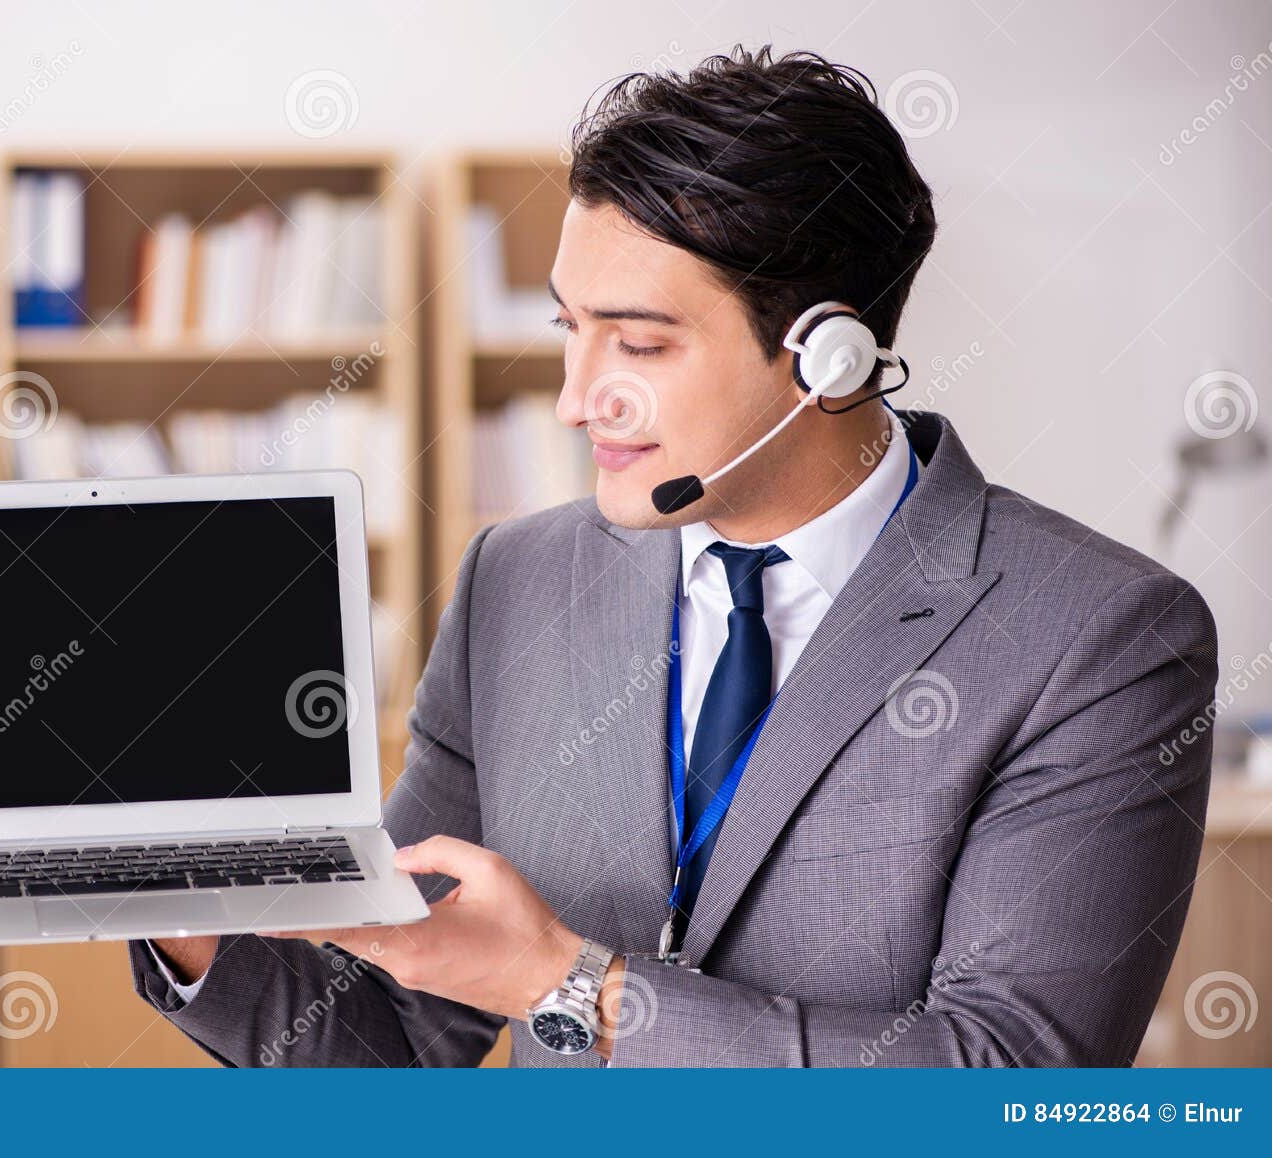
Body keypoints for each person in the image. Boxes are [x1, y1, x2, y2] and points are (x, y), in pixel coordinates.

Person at [130, 46, 1217, 1067]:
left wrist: (574, 986)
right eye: (569, 330)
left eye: (639, 344)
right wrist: (184, 907)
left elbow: (1008, 1077)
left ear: (826, 357)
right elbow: (398, 1038)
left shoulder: (1097, 635)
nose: (571, 400)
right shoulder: (518, 580)